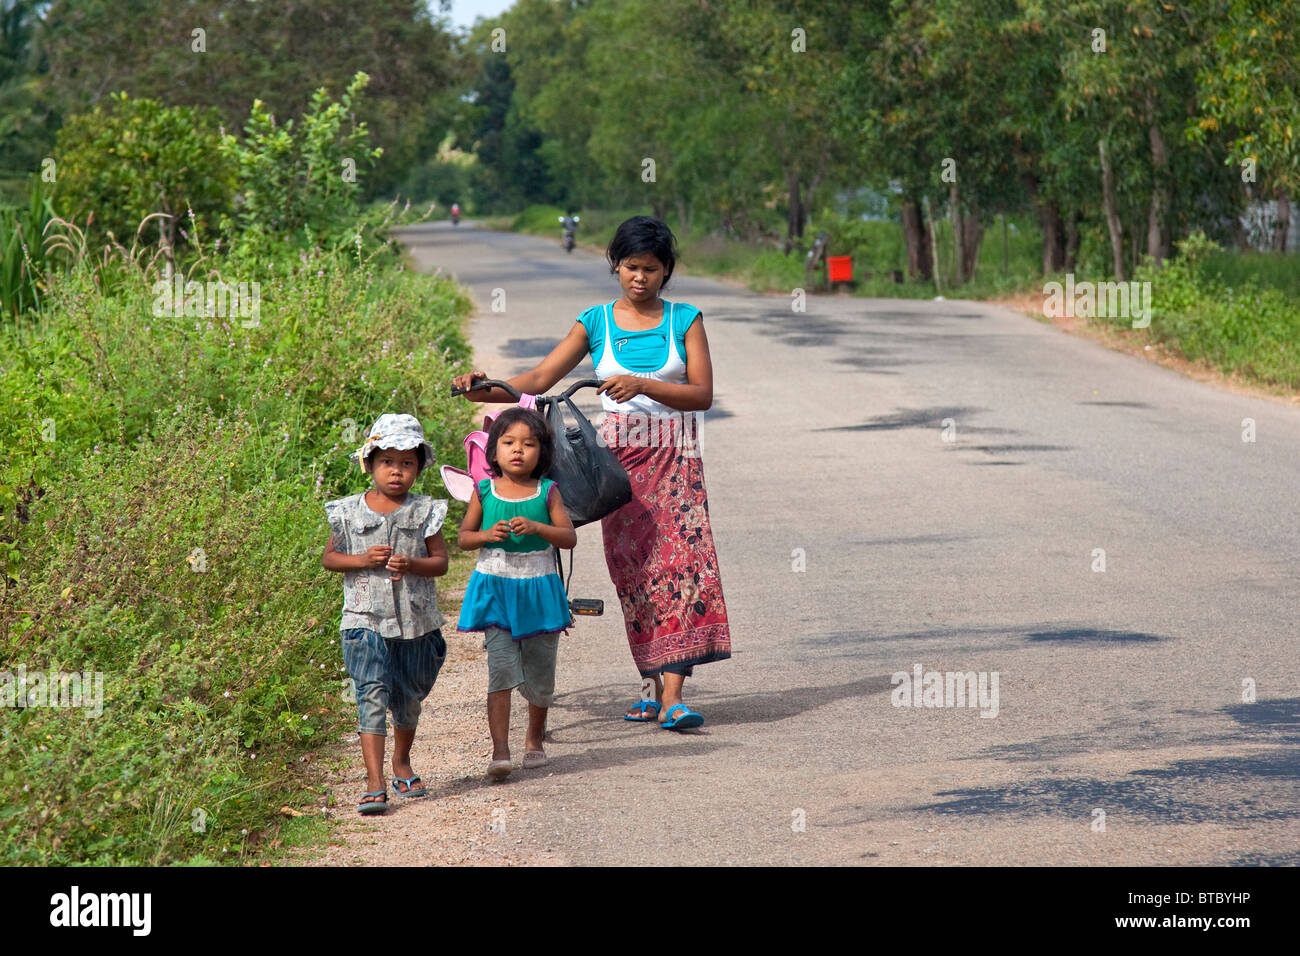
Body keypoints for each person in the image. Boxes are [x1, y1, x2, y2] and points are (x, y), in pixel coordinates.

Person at [451, 215, 730, 731]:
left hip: (675, 458)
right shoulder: (596, 321)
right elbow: (537, 378)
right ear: (615, 267)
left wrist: (643, 385)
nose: (639, 278)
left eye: (650, 268)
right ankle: (649, 682)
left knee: (682, 568)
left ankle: (674, 695)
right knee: (634, 570)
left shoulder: (686, 320)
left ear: (666, 271)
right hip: (615, 465)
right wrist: (480, 387)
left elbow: (702, 394)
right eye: (629, 267)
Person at [322, 413, 450, 814]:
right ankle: (374, 781)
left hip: (416, 622)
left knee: (409, 697)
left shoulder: (426, 511)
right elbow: (330, 559)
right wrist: (361, 559)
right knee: (370, 694)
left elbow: (442, 562)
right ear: (370, 464)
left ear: (418, 468)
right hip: (364, 620)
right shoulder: (347, 511)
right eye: (387, 462)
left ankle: (402, 761)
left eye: (407, 463)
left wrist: (411, 563)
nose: (397, 472)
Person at [456, 407, 577, 779]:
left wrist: (539, 527)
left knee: (541, 671)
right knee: (501, 669)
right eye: (508, 443)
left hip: (539, 589)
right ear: (493, 452)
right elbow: (463, 538)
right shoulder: (483, 491)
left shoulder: (548, 492)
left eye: (529, 443)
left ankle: (534, 739)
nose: (518, 450)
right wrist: (486, 536)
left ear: (543, 452)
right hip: (495, 587)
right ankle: (500, 750)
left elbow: (569, 537)